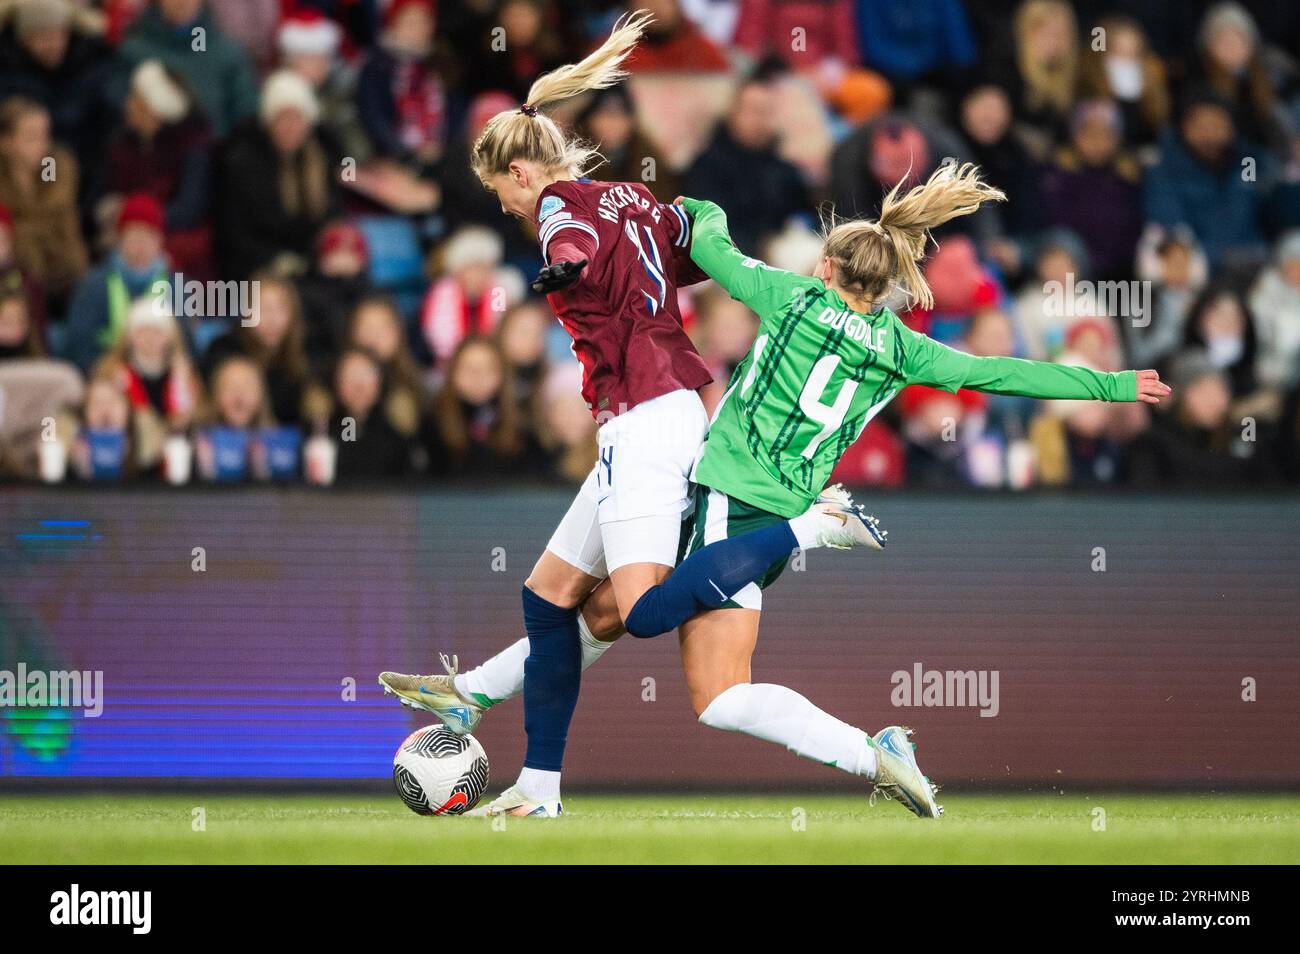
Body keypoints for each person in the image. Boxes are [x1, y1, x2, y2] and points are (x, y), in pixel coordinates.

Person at [383, 161, 1171, 818]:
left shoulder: (789, 296)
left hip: (729, 495)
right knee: (636, 635)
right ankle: (873, 752)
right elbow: (1004, 373)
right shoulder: (907, 348)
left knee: (640, 622)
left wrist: (675, 204)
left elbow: (712, 241)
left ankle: (819, 541)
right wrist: (1112, 384)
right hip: (776, 505)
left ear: (826, 267)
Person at [379, 13, 882, 819]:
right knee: (561, 601)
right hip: (675, 406)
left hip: (643, 415)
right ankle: (513, 751)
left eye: (501, 192)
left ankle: (810, 528)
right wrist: (711, 235)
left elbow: (566, 234)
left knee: (637, 611)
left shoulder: (556, 209)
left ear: (519, 171)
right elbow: (688, 235)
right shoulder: (636, 197)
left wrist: (563, 263)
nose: (509, 209)